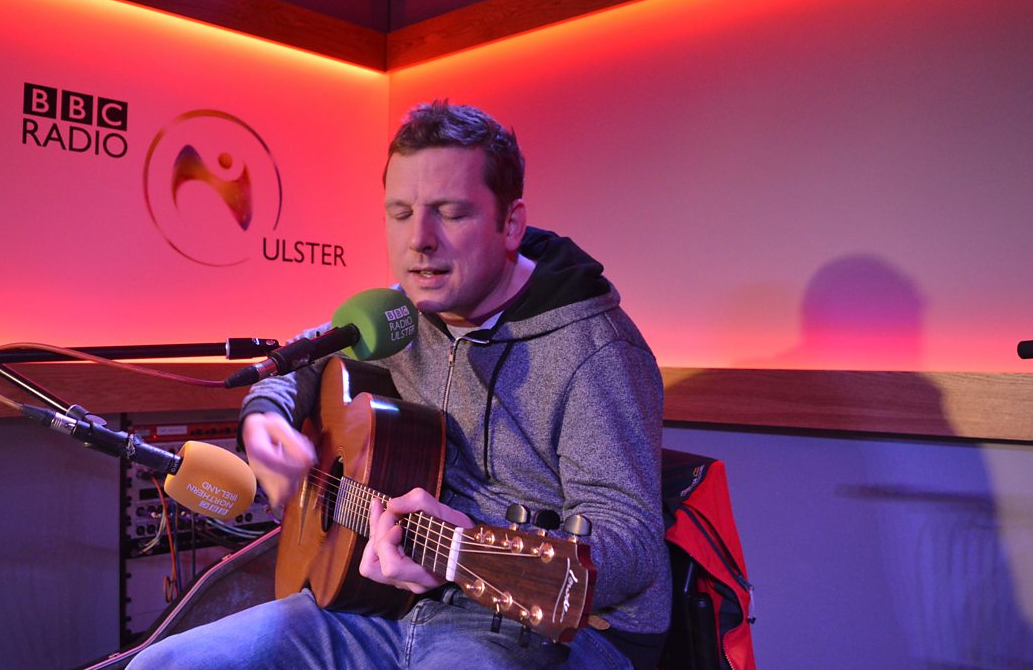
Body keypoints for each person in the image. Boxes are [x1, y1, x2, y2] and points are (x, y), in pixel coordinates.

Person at [130, 101, 670, 669]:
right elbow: (299, 364)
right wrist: (265, 417)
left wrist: (466, 545)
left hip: (537, 626)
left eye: (450, 213)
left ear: (510, 224)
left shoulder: (596, 350)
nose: (420, 240)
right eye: (401, 212)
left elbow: (631, 542)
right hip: (375, 603)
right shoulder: (394, 315)